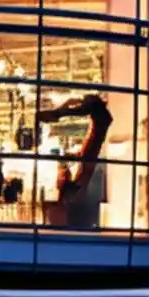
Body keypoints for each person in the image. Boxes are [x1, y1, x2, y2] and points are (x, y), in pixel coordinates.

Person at [38, 94, 112, 228]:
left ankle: (59, 114)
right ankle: (59, 114)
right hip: (75, 195)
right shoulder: (75, 190)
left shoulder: (75, 188)